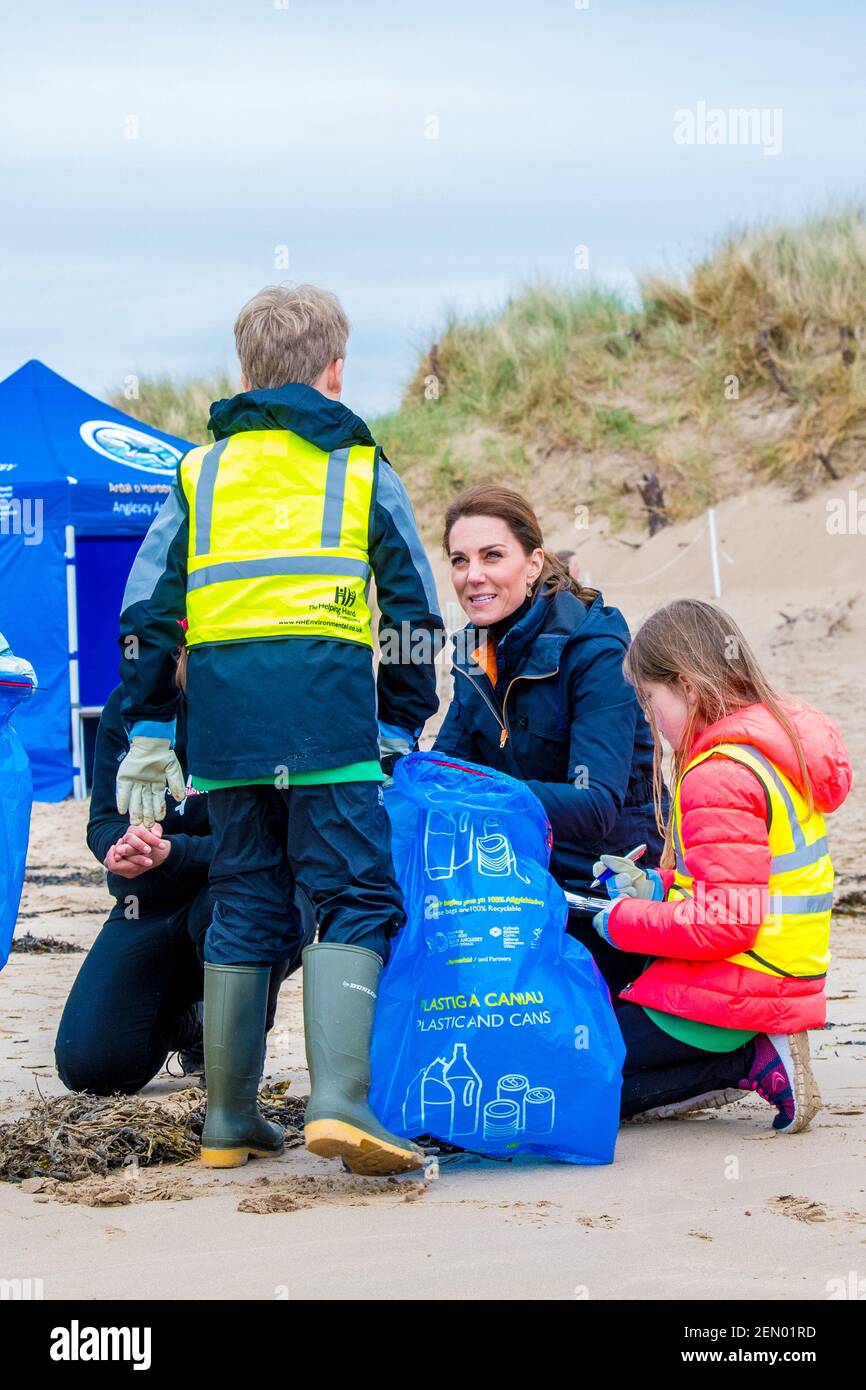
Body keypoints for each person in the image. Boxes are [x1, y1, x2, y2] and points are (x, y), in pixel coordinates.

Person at [115, 284, 442, 1174]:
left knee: (249, 901)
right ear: (334, 372)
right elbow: (412, 607)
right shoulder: (362, 469)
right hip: (330, 726)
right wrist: (403, 716)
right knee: (355, 895)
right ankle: (339, 1101)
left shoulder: (198, 472)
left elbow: (149, 608)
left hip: (224, 736)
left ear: (245, 373)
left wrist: (148, 722)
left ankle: (228, 1118)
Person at [591, 599, 852, 1131]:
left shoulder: (717, 773)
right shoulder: (768, 750)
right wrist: (656, 886)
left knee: (585, 1080)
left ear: (686, 685)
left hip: (740, 980)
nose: (649, 718)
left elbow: (724, 921)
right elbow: (739, 879)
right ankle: (731, 1060)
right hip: (784, 964)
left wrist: (622, 922)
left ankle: (747, 1061)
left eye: (650, 699)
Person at [433, 483, 664, 996]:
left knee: (579, 1059)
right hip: (521, 872)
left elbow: (596, 806)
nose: (473, 576)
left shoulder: (595, 649)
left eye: (493, 555)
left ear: (534, 563)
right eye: (459, 560)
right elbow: (444, 774)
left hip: (606, 884)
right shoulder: (473, 653)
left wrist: (483, 792)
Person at [55, 658, 308, 1095]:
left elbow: (272, 845)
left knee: (229, 911)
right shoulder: (128, 705)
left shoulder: (263, 703)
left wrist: (174, 852)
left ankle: (232, 1049)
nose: (170, 656)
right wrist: (120, 847)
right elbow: (101, 822)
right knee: (91, 1068)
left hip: (246, 889)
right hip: (149, 903)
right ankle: (189, 1020)